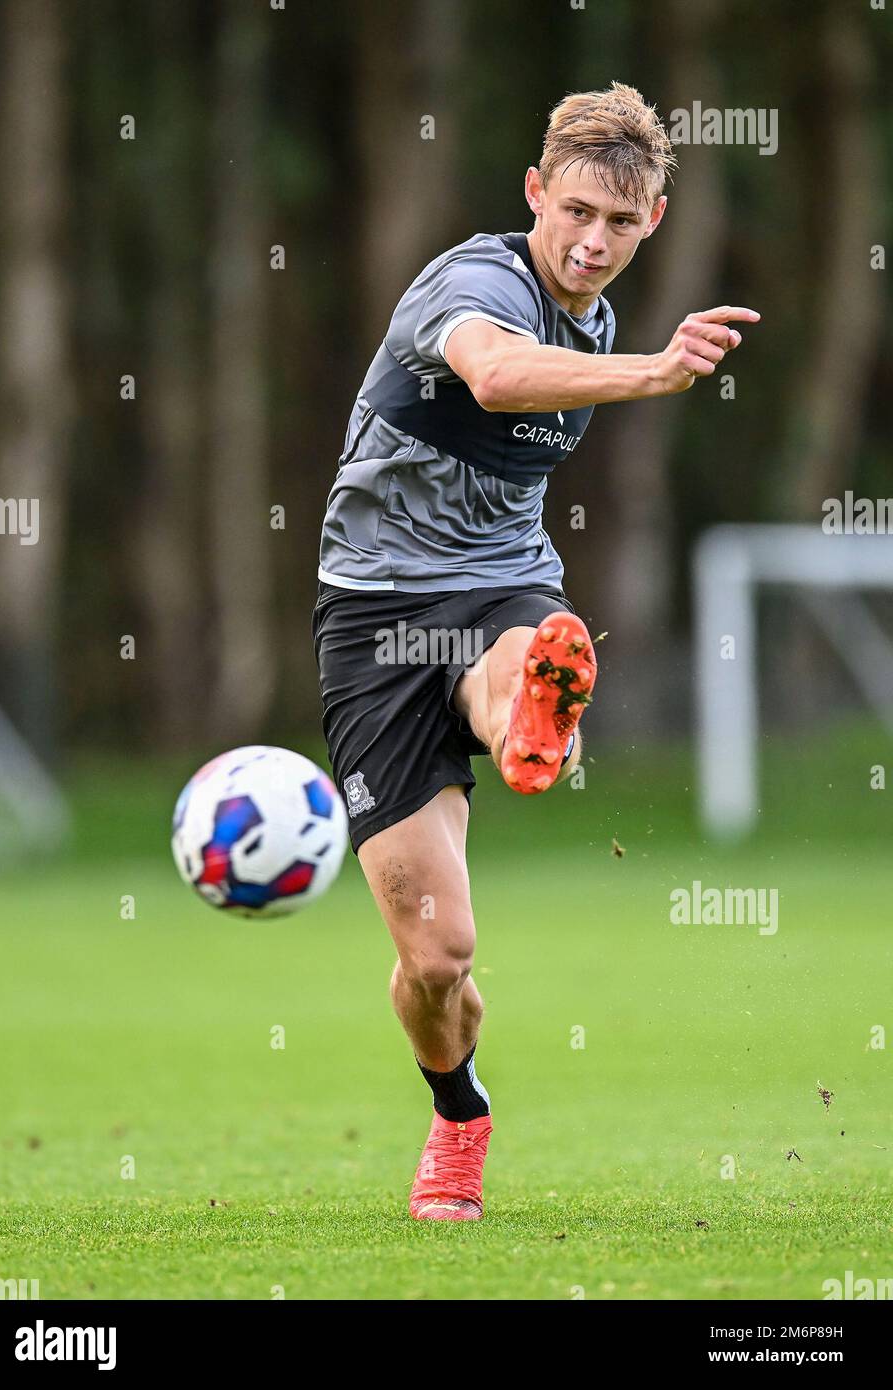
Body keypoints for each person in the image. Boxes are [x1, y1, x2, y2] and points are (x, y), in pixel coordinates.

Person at [312, 82, 759, 1220]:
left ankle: (525, 710)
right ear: (533, 195)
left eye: (620, 222)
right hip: (370, 613)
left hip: (501, 585)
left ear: (653, 219)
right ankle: (459, 1111)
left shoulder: (594, 318)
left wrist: (637, 360)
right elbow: (496, 374)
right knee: (439, 961)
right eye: (575, 213)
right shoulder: (476, 281)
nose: (592, 242)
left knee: (520, 657)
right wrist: (657, 372)